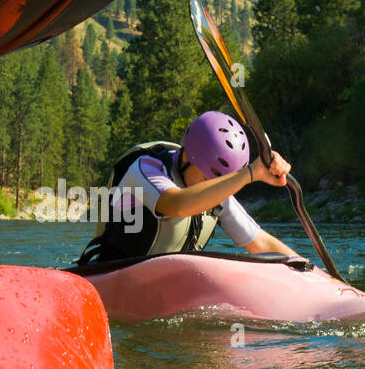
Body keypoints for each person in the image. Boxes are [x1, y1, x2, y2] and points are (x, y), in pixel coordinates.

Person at [77, 110, 303, 265]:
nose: (210, 184)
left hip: (165, 286)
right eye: (206, 176)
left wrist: (311, 272)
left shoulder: (217, 193)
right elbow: (178, 205)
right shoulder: (146, 169)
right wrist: (250, 174)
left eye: (219, 180)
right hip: (112, 274)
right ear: (186, 157)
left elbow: (260, 242)